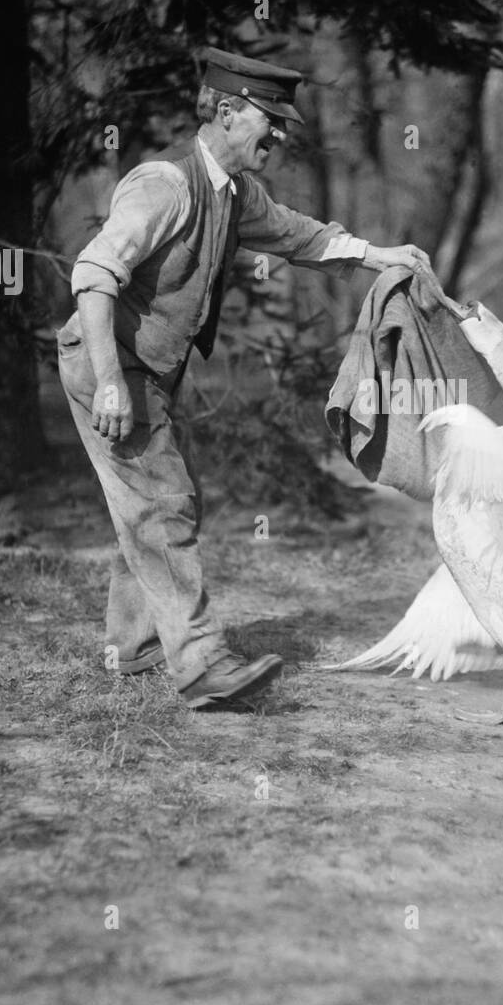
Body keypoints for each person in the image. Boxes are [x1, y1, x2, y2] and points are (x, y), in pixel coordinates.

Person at [57, 47, 429, 709]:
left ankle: (135, 644)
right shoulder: (165, 184)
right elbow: (93, 274)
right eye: (269, 119)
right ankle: (201, 666)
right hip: (107, 364)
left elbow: (302, 238)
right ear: (227, 113)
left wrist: (381, 256)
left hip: (146, 370)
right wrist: (111, 381)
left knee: (148, 501)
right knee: (163, 501)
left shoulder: (235, 194)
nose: (280, 134)